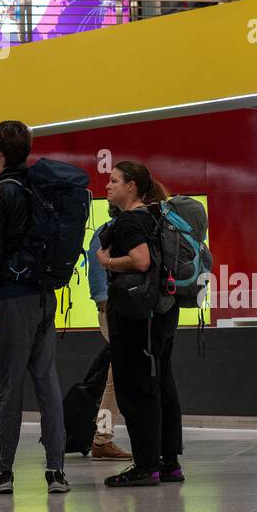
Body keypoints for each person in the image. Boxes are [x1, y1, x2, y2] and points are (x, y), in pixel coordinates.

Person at [0, 120, 69, 496]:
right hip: (47, 294)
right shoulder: (41, 186)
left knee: (10, 385)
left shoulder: (0, 193)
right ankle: (57, 471)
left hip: (14, 297)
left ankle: (3, 471)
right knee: (47, 381)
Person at [98, 162, 183, 488]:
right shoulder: (155, 216)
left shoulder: (130, 221)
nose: (108, 186)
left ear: (132, 186)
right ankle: (168, 462)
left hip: (136, 317)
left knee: (136, 389)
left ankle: (146, 466)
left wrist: (107, 262)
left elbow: (141, 260)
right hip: (160, 314)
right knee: (161, 385)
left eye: (114, 180)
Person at [86, 223, 132, 462]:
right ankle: (102, 437)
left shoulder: (120, 226)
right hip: (115, 309)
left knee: (117, 377)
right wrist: (102, 299)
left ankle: (102, 435)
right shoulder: (110, 229)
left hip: (124, 308)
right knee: (117, 378)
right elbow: (95, 262)